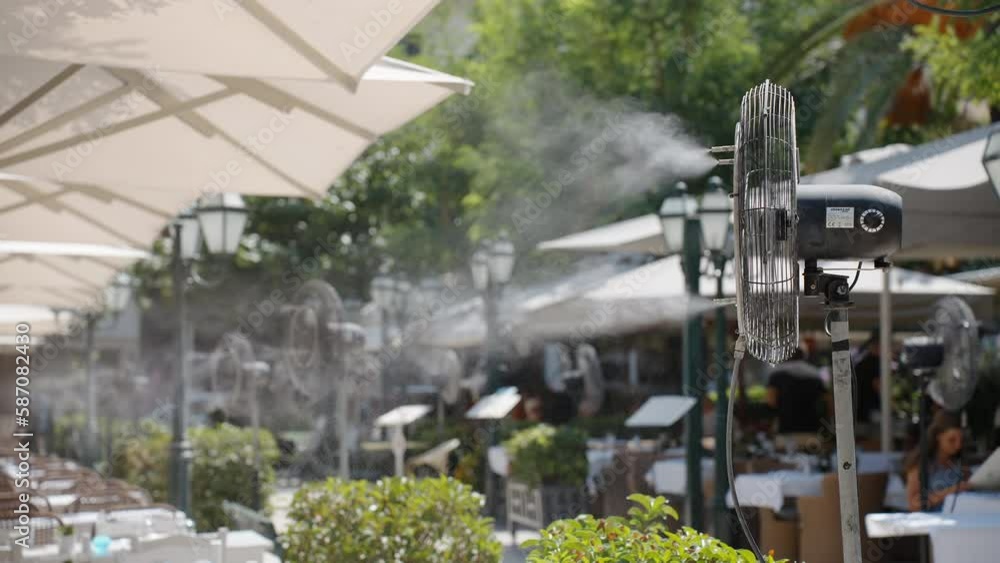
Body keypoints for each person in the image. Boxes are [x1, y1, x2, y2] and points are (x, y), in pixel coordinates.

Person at [903, 415, 970, 512]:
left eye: (961, 440)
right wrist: (949, 492)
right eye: (952, 440)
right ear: (938, 436)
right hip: (932, 522)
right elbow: (913, 504)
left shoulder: (958, 463)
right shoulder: (921, 464)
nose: (958, 445)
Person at [766, 347, 831, 434]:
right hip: (812, 425)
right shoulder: (815, 375)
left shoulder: (776, 376)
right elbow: (828, 401)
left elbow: (771, 401)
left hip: (786, 425)